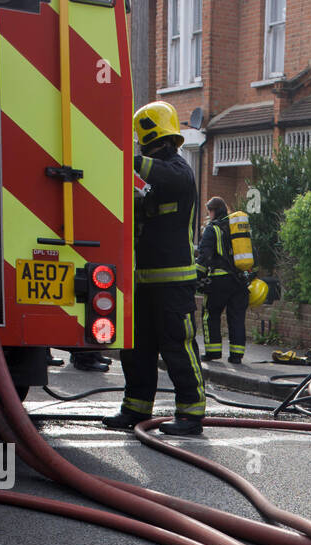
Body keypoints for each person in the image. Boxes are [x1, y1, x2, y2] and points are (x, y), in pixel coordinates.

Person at [104, 101, 206, 436]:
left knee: (178, 346)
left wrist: (110, 150)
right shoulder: (149, 176)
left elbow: (147, 170)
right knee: (136, 349)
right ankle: (134, 408)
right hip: (142, 282)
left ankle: (191, 414)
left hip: (174, 283)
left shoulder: (178, 171)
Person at [196, 197, 249, 365]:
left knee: (210, 315)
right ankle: (236, 356)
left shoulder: (213, 230)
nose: (208, 215)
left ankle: (213, 352)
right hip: (239, 281)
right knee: (237, 318)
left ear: (213, 211)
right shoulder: (237, 229)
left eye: (209, 211)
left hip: (219, 281)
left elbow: (204, 256)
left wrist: (196, 278)